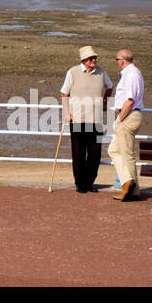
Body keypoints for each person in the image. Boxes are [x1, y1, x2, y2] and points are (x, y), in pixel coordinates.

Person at [60, 46, 113, 193]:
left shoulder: (102, 72)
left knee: (95, 153)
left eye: (95, 58)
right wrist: (66, 113)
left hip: (96, 120)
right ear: (84, 60)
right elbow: (64, 93)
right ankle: (80, 184)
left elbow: (110, 87)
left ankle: (90, 183)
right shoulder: (73, 72)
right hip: (77, 118)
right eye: (91, 58)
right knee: (78, 153)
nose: (94, 60)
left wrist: (104, 101)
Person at [108, 49, 144, 201]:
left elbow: (129, 100)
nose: (117, 62)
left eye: (116, 59)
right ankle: (128, 183)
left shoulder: (131, 74)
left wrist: (120, 119)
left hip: (128, 116)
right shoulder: (132, 73)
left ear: (121, 60)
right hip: (128, 115)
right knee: (114, 150)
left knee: (126, 153)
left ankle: (131, 187)